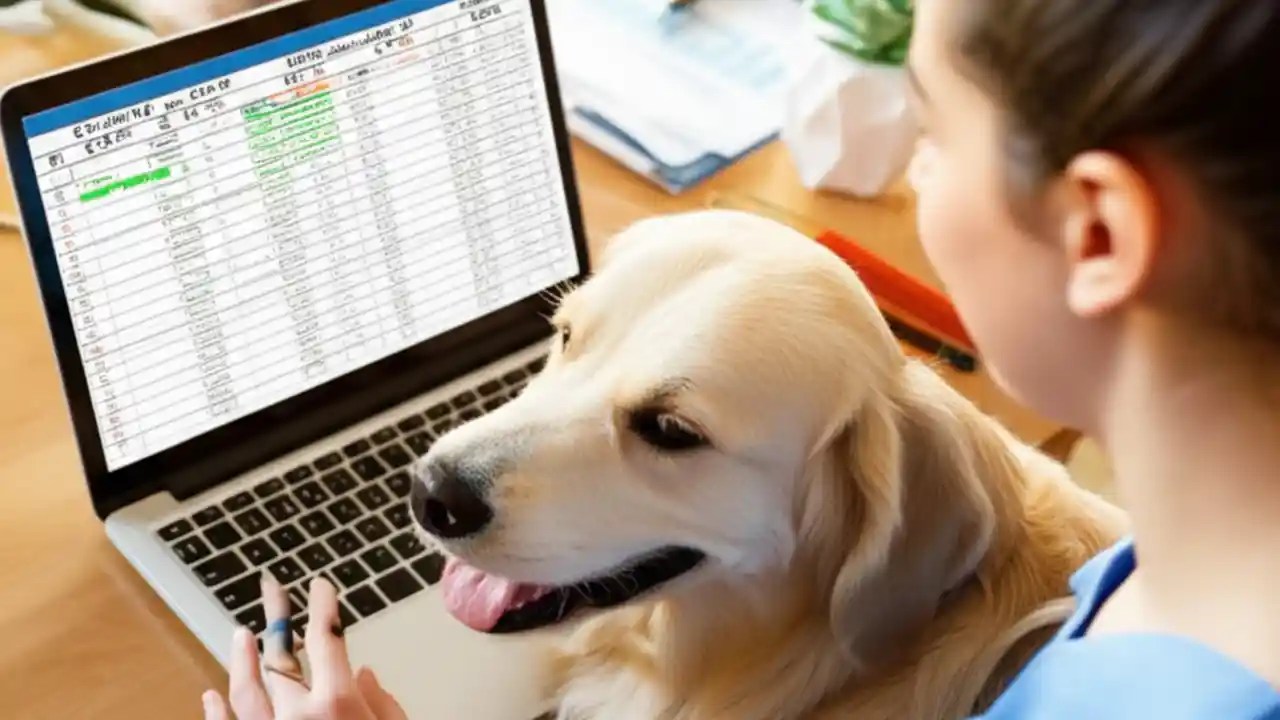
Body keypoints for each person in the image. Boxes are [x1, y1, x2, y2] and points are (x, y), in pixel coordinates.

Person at [203, 0, 1280, 716]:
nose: (910, 175)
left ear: (1098, 231)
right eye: (567, 331)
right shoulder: (1179, 573)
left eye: (932, 133)